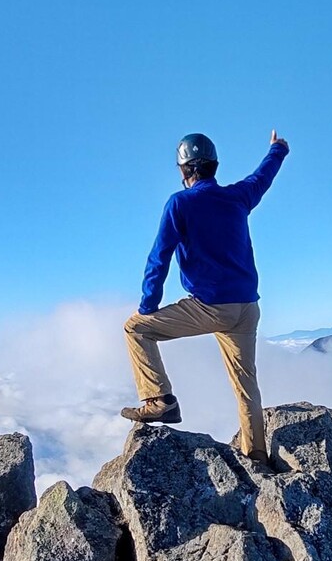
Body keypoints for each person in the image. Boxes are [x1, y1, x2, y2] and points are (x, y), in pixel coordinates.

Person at [121, 130, 290, 462]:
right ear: (214, 165)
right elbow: (263, 176)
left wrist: (147, 307)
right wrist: (278, 149)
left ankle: (158, 399)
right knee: (246, 387)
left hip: (211, 306)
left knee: (135, 329)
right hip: (247, 308)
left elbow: (159, 258)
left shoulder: (180, 203)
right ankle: (257, 457)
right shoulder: (239, 196)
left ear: (185, 171)